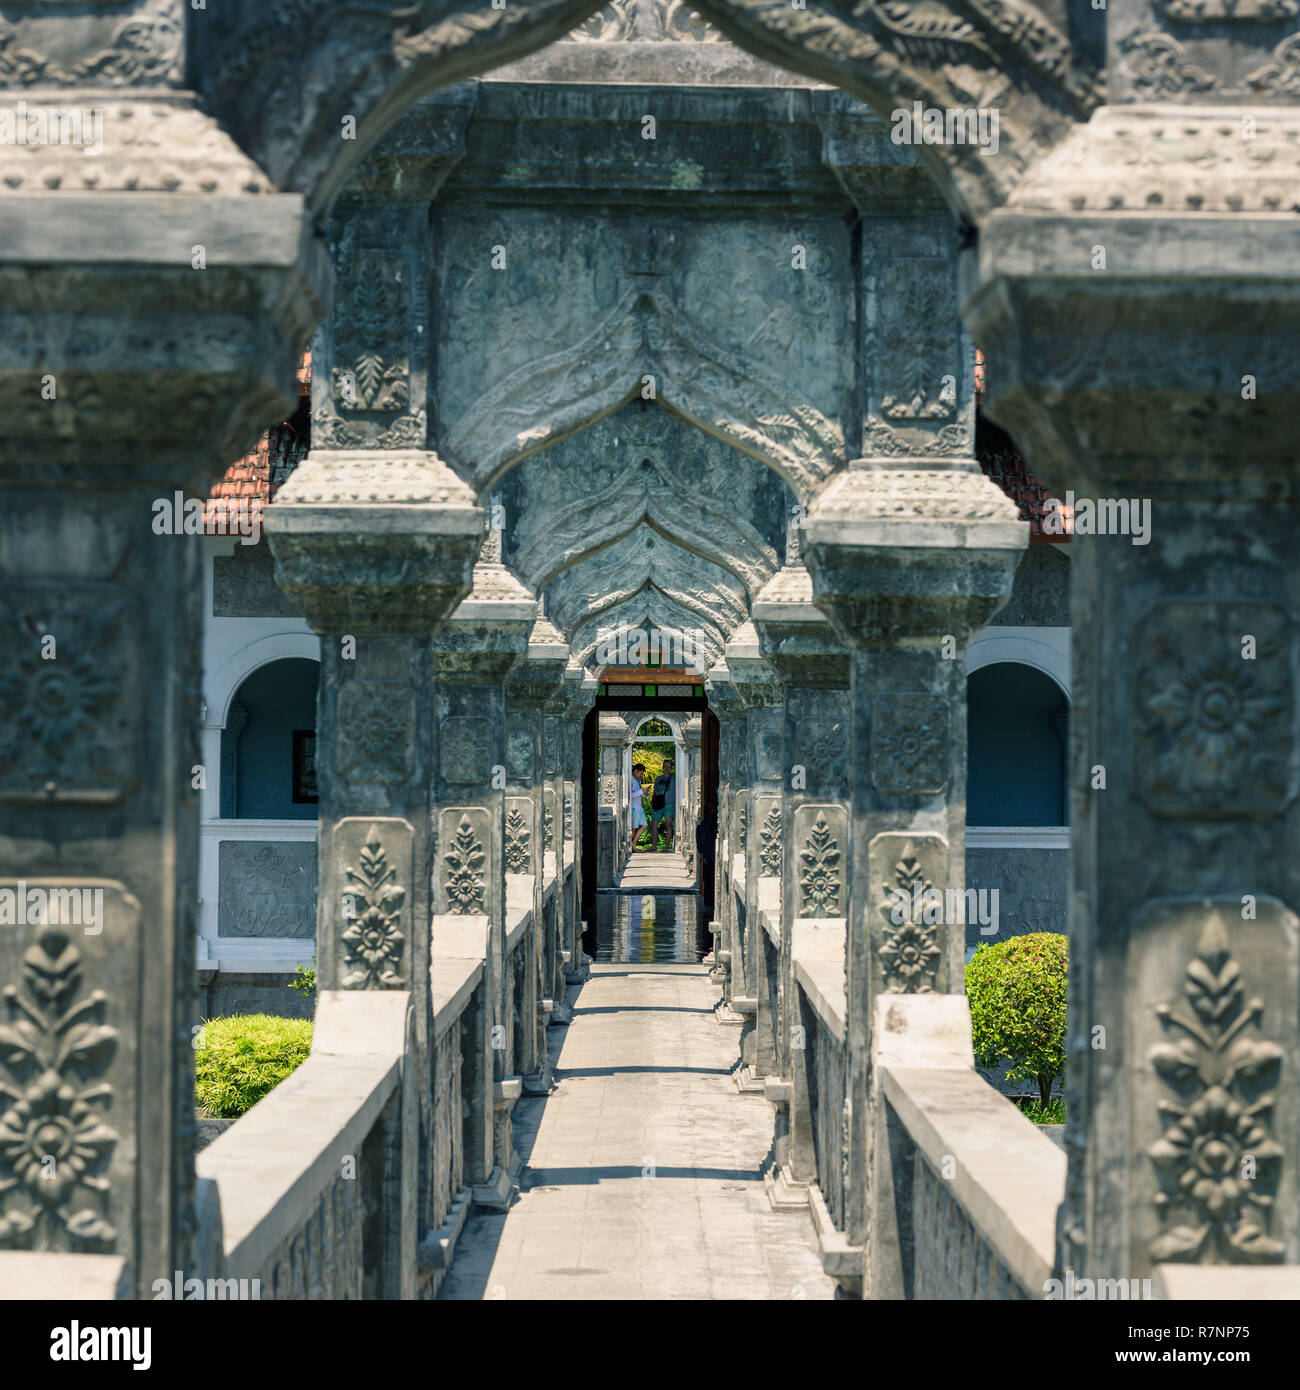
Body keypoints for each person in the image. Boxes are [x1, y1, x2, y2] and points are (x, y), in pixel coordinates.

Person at [649, 757, 676, 851]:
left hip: (669, 804)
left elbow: (680, 771)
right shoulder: (658, 778)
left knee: (668, 825)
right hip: (658, 805)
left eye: (669, 766)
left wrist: (674, 766)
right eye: (665, 766)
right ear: (662, 767)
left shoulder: (674, 777)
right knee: (654, 825)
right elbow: (655, 791)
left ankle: (666, 847)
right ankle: (654, 846)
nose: (667, 768)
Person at [627, 762, 648, 855]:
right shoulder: (630, 780)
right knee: (633, 828)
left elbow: (638, 794)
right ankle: (631, 846)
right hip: (634, 807)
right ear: (635, 771)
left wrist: (644, 793)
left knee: (644, 825)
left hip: (639, 807)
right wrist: (641, 792)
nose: (641, 775)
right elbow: (629, 795)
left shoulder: (637, 780)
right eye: (640, 773)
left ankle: (633, 844)